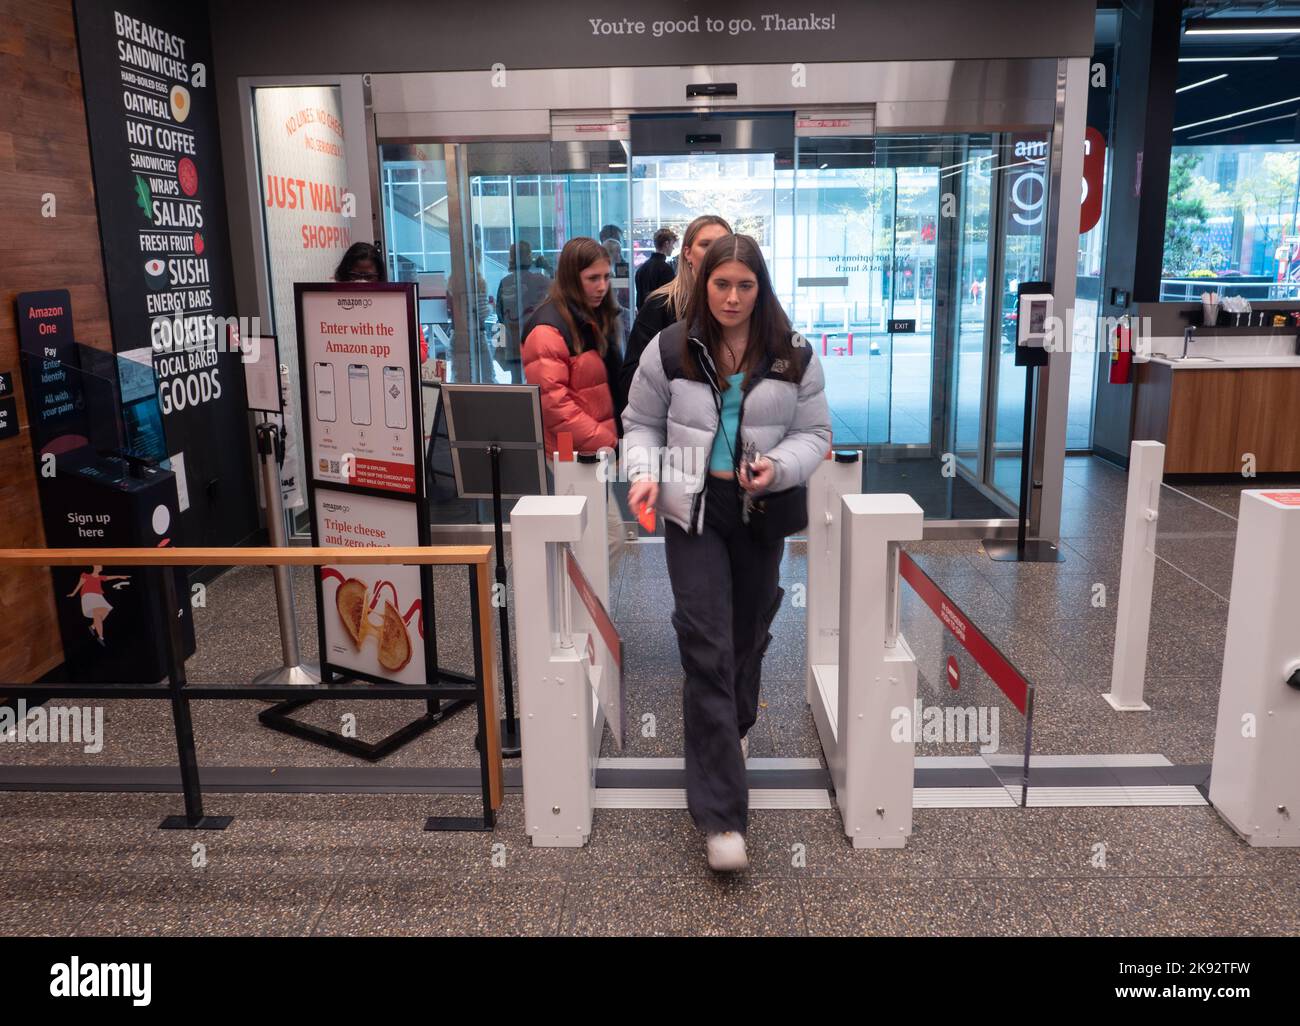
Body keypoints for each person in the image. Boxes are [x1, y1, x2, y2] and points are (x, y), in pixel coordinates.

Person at [621, 234, 831, 872]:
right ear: (702, 283)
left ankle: (730, 729)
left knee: (748, 636)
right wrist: (642, 472)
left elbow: (815, 433)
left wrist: (781, 466)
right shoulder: (671, 347)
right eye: (722, 284)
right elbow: (638, 424)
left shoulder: (793, 352)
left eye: (745, 285)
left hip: (759, 514)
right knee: (706, 645)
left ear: (760, 286)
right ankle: (720, 817)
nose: (733, 297)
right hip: (694, 512)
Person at [522, 237, 626, 575]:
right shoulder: (548, 329)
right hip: (571, 451)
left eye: (606, 277)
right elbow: (555, 405)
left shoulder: (591, 318)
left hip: (588, 449)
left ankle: (580, 616)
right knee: (606, 537)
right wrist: (606, 440)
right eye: (593, 278)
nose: (602, 286)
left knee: (594, 539)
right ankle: (576, 611)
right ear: (571, 277)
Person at [616, 214, 731, 428]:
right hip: (676, 433)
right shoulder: (662, 305)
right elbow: (632, 379)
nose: (714, 253)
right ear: (687, 253)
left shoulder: (739, 307)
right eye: (706, 245)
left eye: (722, 246)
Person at [496, 241, 550, 382]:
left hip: (513, 340)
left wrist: (500, 342)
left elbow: (500, 315)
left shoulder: (505, 282)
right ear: (528, 256)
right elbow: (561, 288)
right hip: (534, 339)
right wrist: (547, 267)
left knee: (516, 381)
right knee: (535, 380)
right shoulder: (540, 280)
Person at [68, 565, 130, 645]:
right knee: (97, 613)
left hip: (98, 596)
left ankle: (93, 627)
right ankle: (100, 637)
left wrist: (119, 576)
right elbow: (79, 585)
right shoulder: (85, 575)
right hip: (88, 595)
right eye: (99, 565)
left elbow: (109, 577)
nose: (101, 566)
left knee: (105, 611)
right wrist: (73, 593)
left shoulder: (100, 577)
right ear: (94, 566)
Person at [635, 227, 678, 312]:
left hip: (643, 317)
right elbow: (670, 300)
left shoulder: (641, 268)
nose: (673, 248)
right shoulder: (666, 269)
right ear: (666, 244)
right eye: (672, 244)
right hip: (659, 320)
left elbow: (639, 300)